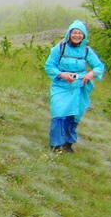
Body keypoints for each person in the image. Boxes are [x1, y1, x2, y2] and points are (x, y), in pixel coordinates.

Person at [44, 20, 104, 153]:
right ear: (69, 34)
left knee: (74, 115)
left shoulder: (87, 51)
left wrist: (91, 74)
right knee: (59, 113)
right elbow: (49, 66)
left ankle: (68, 143)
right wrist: (62, 74)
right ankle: (55, 145)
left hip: (79, 87)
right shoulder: (60, 48)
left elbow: (99, 66)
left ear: (84, 36)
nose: (77, 35)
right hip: (61, 86)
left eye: (80, 33)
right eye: (74, 32)